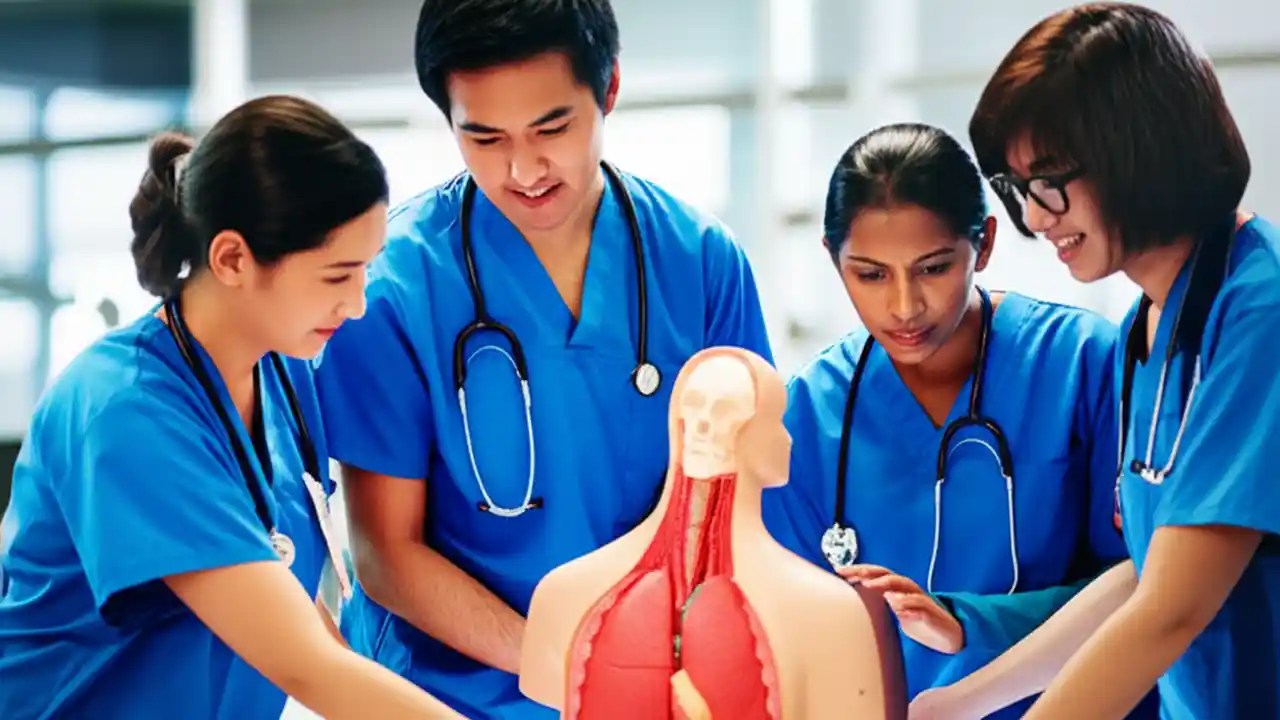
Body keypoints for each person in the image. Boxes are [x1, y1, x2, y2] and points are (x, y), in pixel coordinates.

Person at [311, 1, 772, 717]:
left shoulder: (700, 264)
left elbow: (735, 509)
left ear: (609, 88)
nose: (524, 169)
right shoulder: (393, 286)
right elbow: (384, 554)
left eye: (552, 128)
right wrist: (576, 671)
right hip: (448, 697)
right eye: (484, 137)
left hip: (654, 688)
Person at [0, 95, 461, 720]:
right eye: (335, 276)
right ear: (233, 258)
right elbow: (304, 664)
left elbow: (299, 616)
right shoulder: (125, 413)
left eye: (365, 271)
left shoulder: (284, 371)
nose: (356, 305)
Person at [918, 4, 1279, 718]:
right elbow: (1146, 577)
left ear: (1137, 150)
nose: (1037, 217)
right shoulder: (1141, 332)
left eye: (1050, 181)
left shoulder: (1257, 314)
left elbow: (1173, 611)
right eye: (1019, 190)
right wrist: (959, 702)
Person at [759, 122, 1142, 718]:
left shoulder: (1079, 365)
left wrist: (971, 624)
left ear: (983, 244)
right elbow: (785, 629)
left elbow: (1145, 582)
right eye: (871, 274)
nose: (905, 306)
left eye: (933, 268)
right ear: (833, 260)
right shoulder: (809, 412)